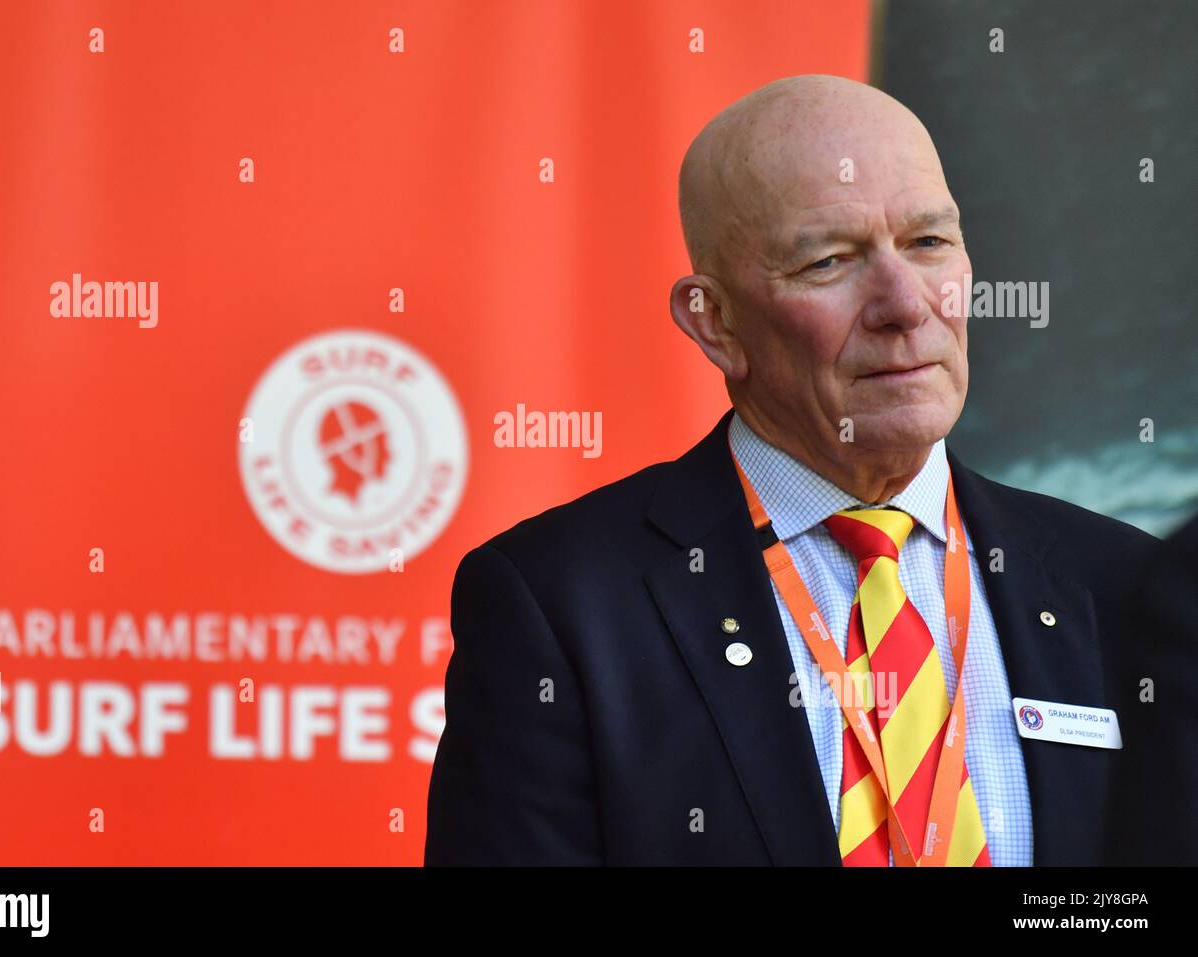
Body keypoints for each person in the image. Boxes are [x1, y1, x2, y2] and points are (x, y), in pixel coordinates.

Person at [424, 75, 1182, 866]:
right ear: (714, 323)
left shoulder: (1123, 589)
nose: (905, 304)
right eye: (829, 261)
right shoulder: (563, 604)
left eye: (928, 243)